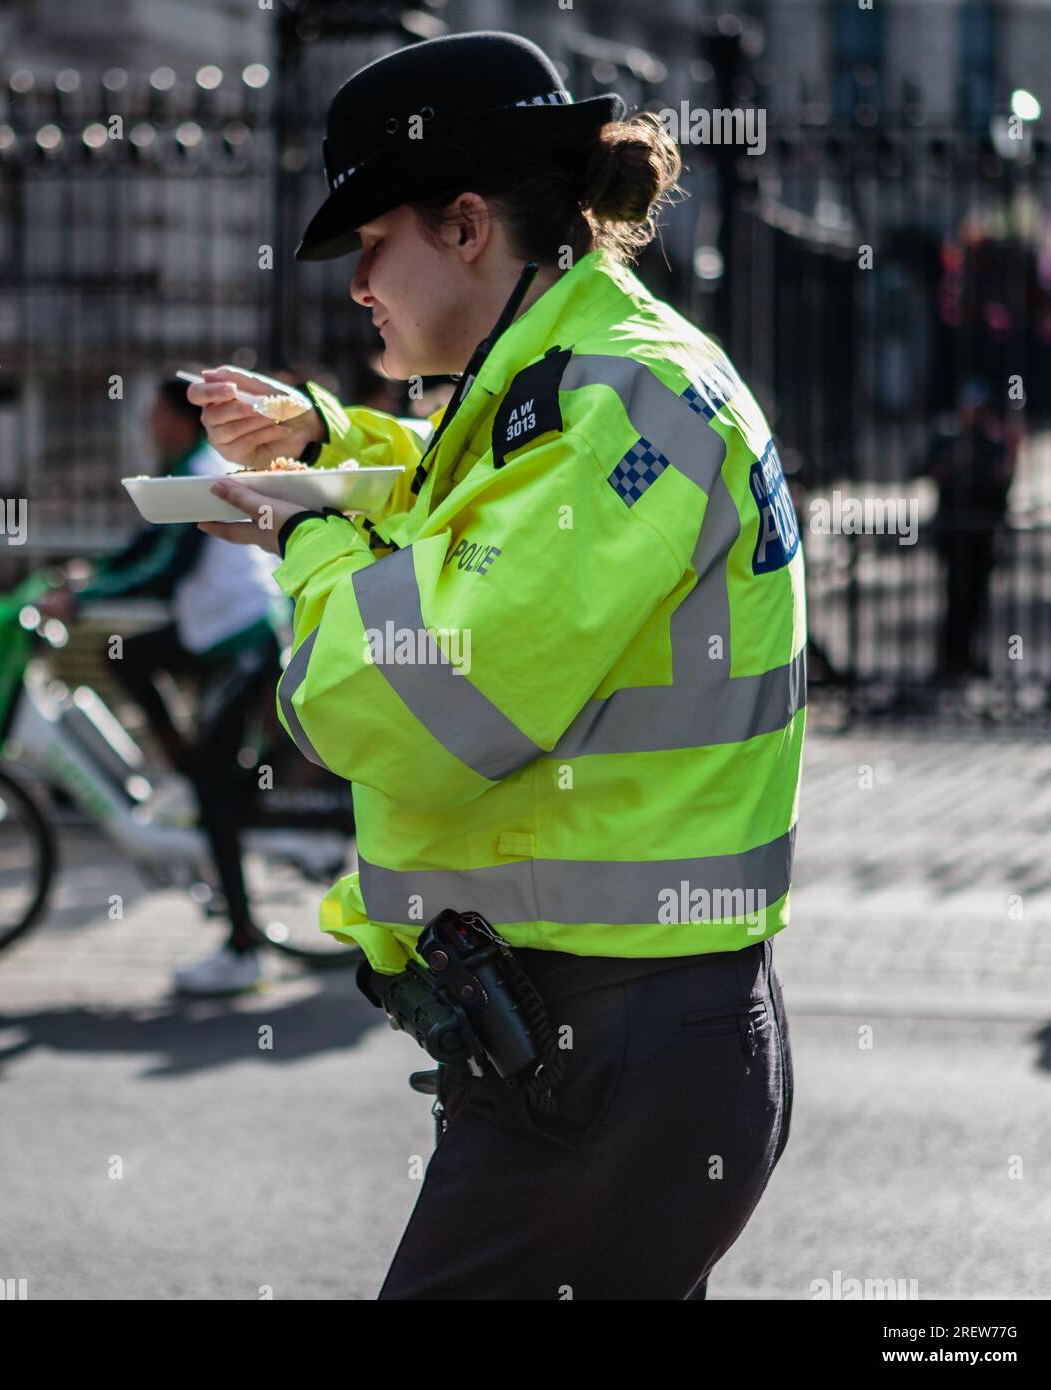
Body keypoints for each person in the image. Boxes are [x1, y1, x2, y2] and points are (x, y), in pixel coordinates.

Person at [188, 30, 803, 1299]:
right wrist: (329, 435)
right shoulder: (573, 379)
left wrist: (305, 538)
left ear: (467, 225)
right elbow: (483, 500)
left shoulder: (621, 403)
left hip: (611, 1054)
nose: (358, 284)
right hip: (599, 1044)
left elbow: (386, 702)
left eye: (371, 243)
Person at [41, 373, 284, 997]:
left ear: (180, 420)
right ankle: (184, 761)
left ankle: (243, 947)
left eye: (153, 415)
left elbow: (165, 570)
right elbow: (144, 546)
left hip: (240, 645)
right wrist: (87, 578)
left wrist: (85, 598)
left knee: (214, 787)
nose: (147, 426)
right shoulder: (185, 469)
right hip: (213, 636)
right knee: (127, 658)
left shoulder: (202, 473)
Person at [919, 378, 1017, 683]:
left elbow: (1002, 485)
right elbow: (930, 471)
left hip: (982, 533)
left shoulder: (993, 443)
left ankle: (972, 656)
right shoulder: (947, 439)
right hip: (954, 533)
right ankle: (950, 659)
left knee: (978, 599)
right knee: (954, 596)